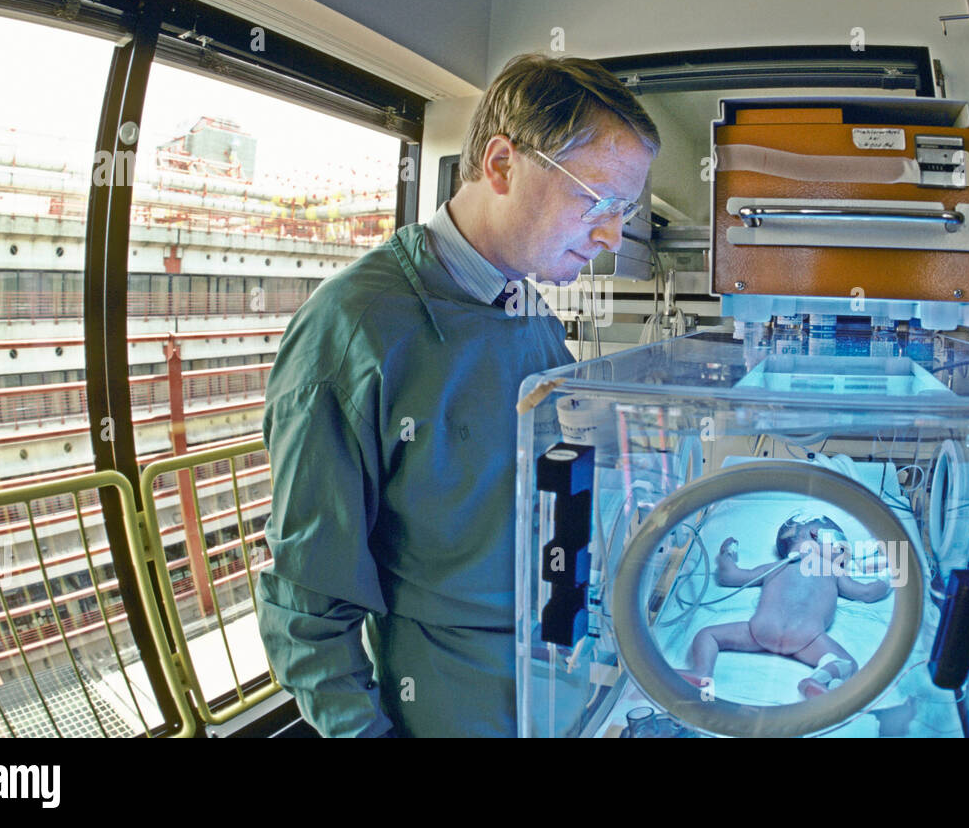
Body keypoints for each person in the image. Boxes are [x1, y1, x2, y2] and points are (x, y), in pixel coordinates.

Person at [255, 54, 660, 736]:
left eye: (625, 209)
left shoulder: (527, 308)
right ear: (501, 164)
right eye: (594, 199)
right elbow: (306, 607)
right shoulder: (355, 329)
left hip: (557, 672)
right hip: (451, 702)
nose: (611, 236)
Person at [680, 514, 891, 699]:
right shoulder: (832, 571)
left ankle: (702, 673)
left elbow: (730, 576)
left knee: (708, 635)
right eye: (842, 545)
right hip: (807, 639)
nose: (846, 554)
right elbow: (866, 593)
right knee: (847, 664)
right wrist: (887, 579)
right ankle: (817, 682)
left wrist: (727, 555)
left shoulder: (774, 567)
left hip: (759, 631)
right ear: (816, 534)